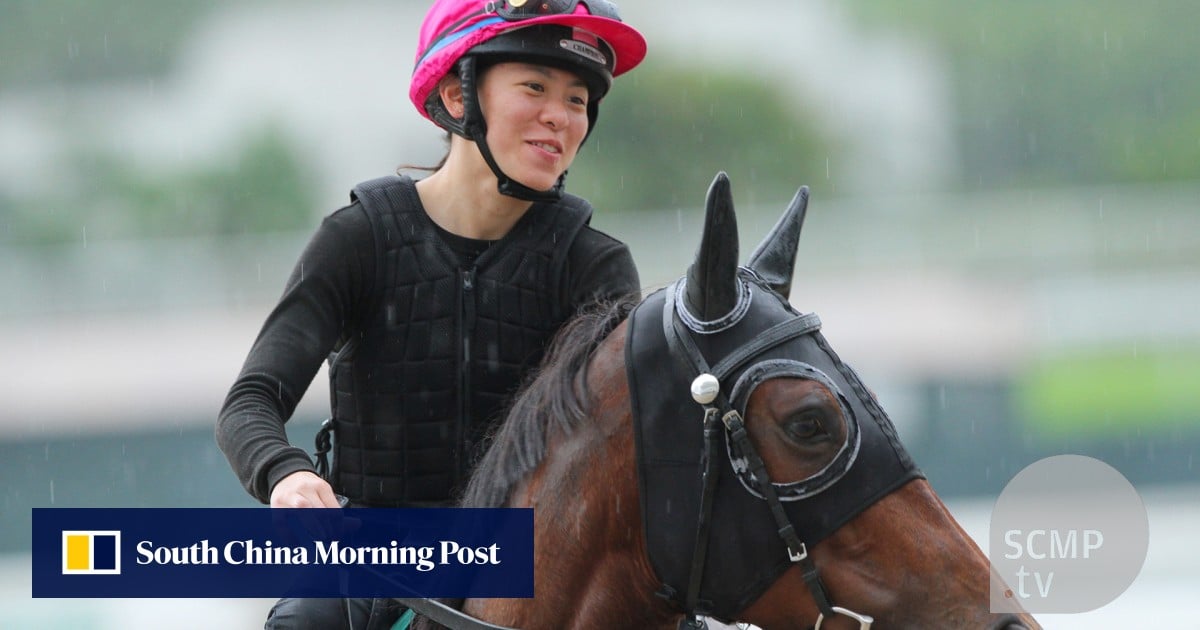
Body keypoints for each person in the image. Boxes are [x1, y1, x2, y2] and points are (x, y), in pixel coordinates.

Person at [215, 0, 647, 628]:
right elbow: (250, 401)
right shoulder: (358, 238)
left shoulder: (595, 265)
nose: (560, 116)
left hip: (537, 559)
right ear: (456, 96)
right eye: (535, 87)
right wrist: (285, 476)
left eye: (578, 100)